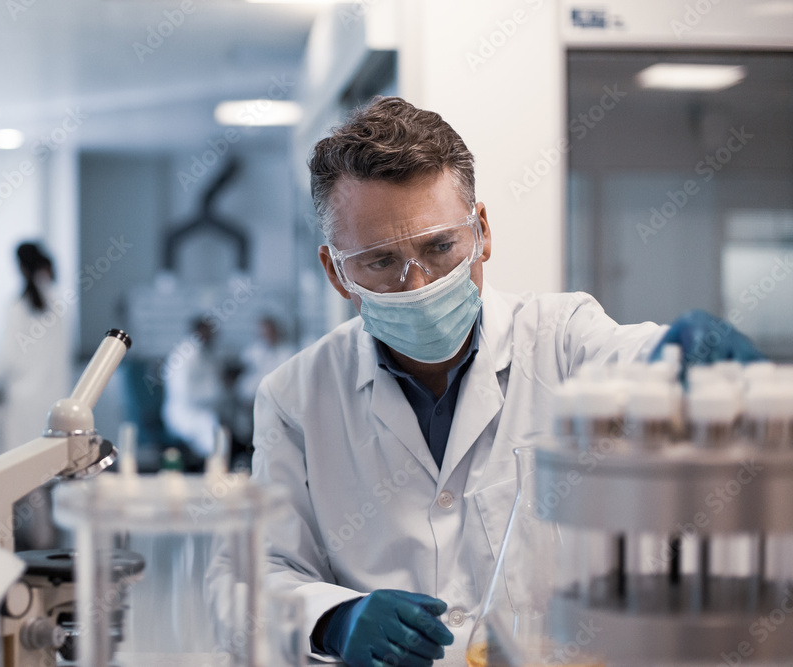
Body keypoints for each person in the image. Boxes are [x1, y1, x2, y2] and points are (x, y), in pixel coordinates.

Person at [249, 97, 764, 667]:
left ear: (483, 232)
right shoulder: (294, 397)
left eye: (440, 247)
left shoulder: (562, 338)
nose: (417, 283)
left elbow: (633, 364)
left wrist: (677, 360)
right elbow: (261, 575)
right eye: (379, 260)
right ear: (336, 271)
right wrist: (334, 619)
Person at [0, 242, 72, 549]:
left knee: (26, 476)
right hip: (52, 401)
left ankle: (36, 541)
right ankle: (47, 537)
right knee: (46, 473)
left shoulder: (18, 307)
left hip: (24, 403)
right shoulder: (59, 304)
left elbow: (6, 360)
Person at [162, 317, 227, 460]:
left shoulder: (206, 353)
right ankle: (212, 470)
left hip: (203, 409)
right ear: (198, 332)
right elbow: (184, 393)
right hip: (185, 412)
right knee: (210, 429)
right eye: (209, 331)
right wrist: (216, 392)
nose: (213, 336)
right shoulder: (185, 355)